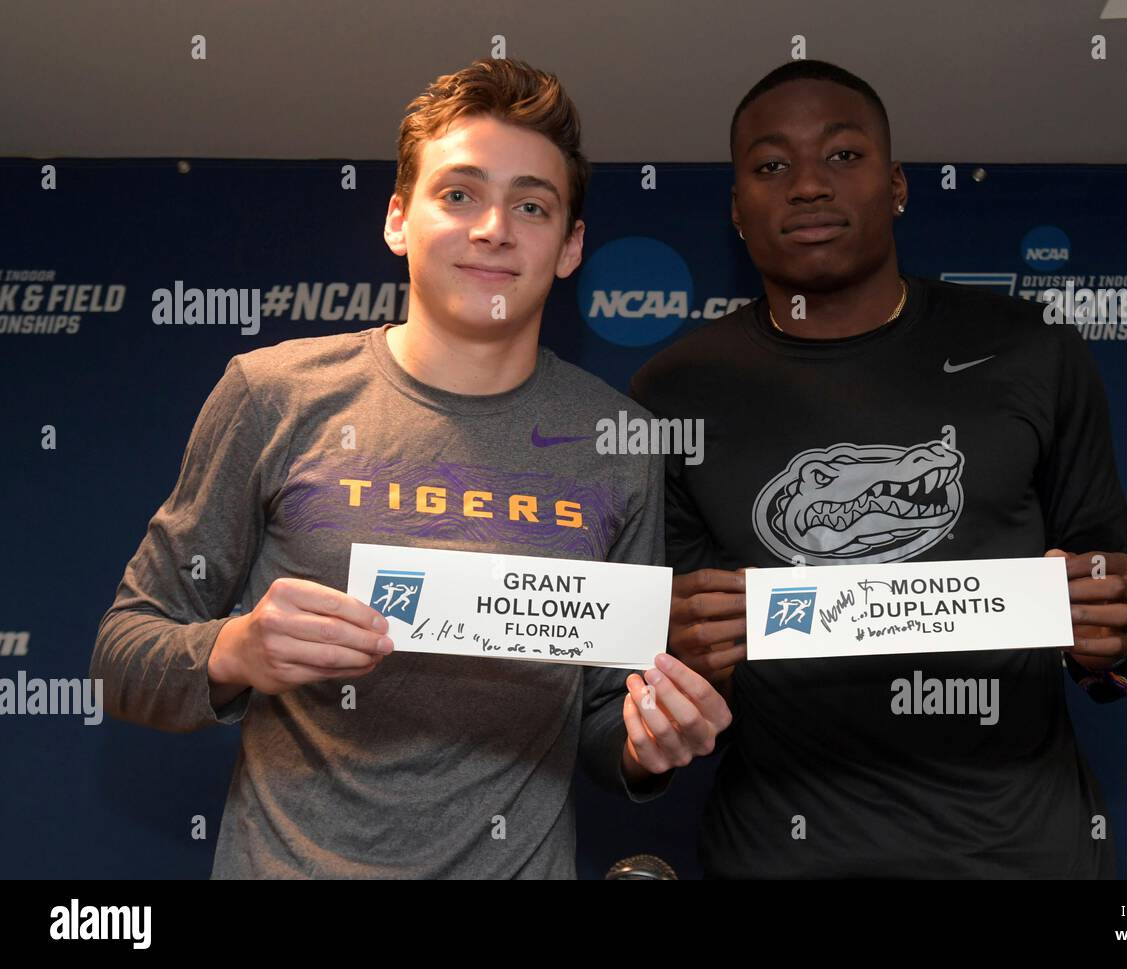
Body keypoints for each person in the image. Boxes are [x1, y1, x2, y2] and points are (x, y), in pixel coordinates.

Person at [91, 57, 730, 879]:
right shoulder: (271, 395)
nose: (494, 227)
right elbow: (121, 658)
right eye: (458, 194)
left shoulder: (623, 442)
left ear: (570, 247)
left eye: (531, 205)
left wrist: (652, 743)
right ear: (398, 217)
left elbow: (608, 721)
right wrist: (237, 649)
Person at [630, 59, 1127, 878]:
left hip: (1023, 851)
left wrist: (1113, 633)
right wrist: (680, 654)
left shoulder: (1030, 349)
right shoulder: (673, 392)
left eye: (843, 155)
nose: (808, 185)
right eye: (771, 166)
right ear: (737, 209)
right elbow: (661, 679)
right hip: (783, 852)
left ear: (899, 185)